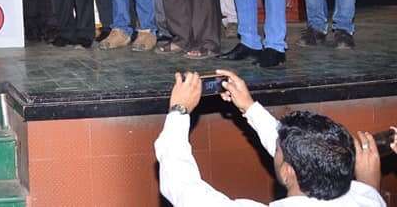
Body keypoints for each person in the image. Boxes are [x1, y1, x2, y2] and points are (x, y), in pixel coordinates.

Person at [155, 69, 385, 206]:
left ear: (288, 172)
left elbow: (181, 185)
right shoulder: (367, 199)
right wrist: (249, 107)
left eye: (278, 149)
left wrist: (179, 111)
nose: (276, 145)